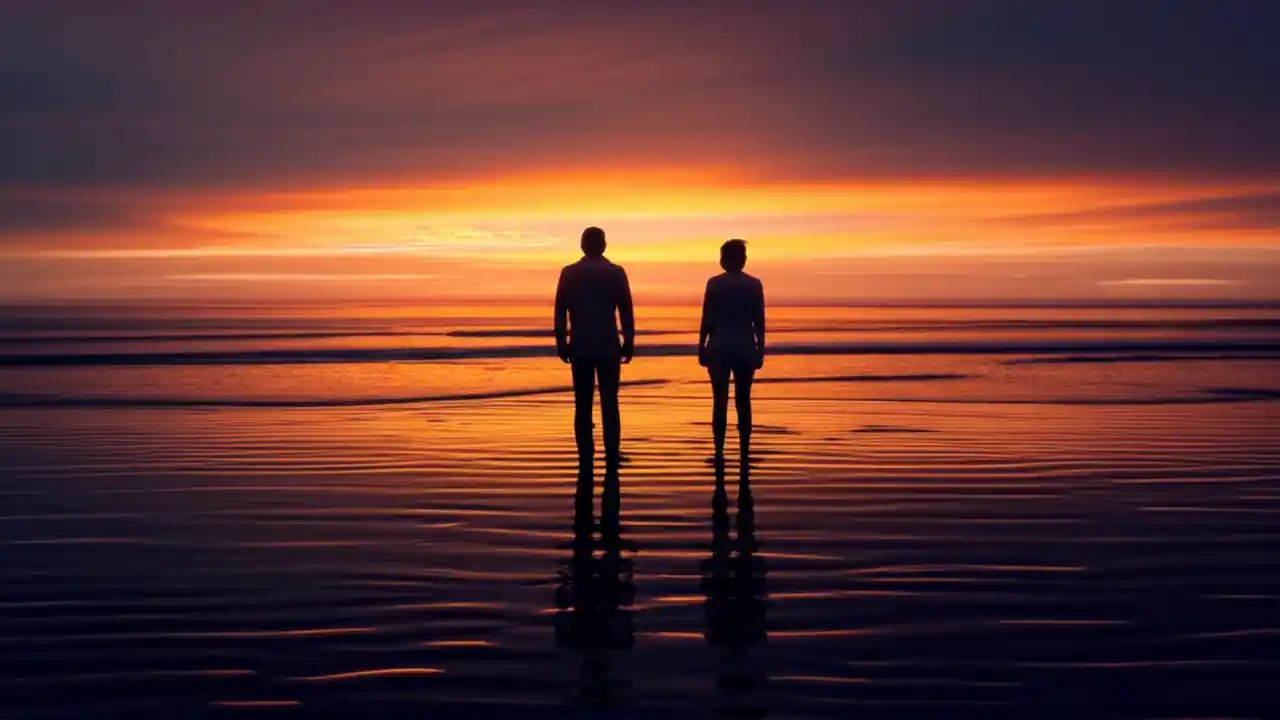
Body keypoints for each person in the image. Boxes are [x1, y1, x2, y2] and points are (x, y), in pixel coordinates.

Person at [554, 226, 635, 467]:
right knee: (610, 400)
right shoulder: (615, 272)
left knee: (582, 402)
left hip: (581, 344)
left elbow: (560, 311)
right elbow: (626, 310)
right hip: (607, 343)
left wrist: (561, 341)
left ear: (582, 246)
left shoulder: (569, 273)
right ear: (604, 246)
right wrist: (629, 340)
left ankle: (585, 452)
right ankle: (612, 450)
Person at [698, 239, 765, 460]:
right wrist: (760, 349)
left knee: (720, 400)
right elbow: (759, 321)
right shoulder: (754, 284)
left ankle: (719, 448)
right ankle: (744, 447)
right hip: (745, 345)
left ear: (724, 259)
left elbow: (707, 318)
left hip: (719, 345)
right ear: (742, 259)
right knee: (743, 399)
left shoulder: (715, 284)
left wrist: (701, 346)